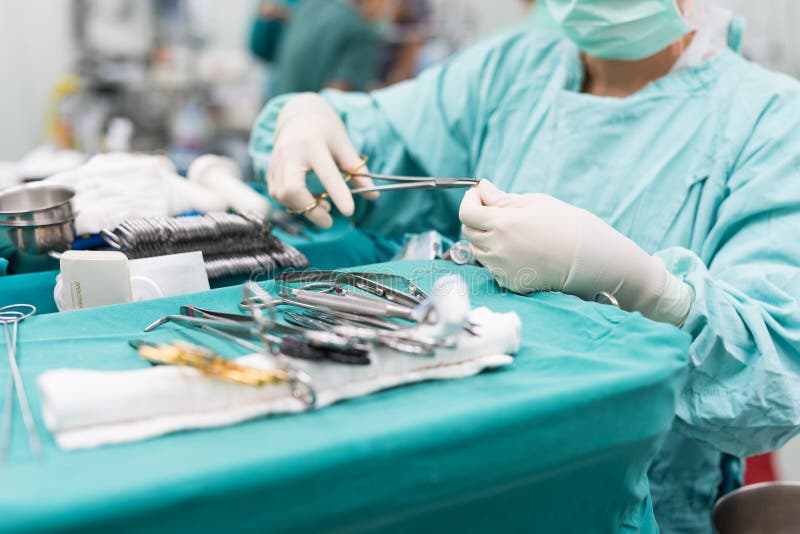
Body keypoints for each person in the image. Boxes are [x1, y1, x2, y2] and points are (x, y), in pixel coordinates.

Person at [249, 0, 800, 531]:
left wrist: (643, 287)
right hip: (459, 477)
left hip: (634, 505)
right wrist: (309, 116)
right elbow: (371, 138)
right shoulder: (510, 72)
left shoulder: (770, 120)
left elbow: (773, 373)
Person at [272, 0, 395, 95]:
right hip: (312, 122)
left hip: (279, 118)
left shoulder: (307, 9)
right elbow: (337, 97)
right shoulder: (360, 34)